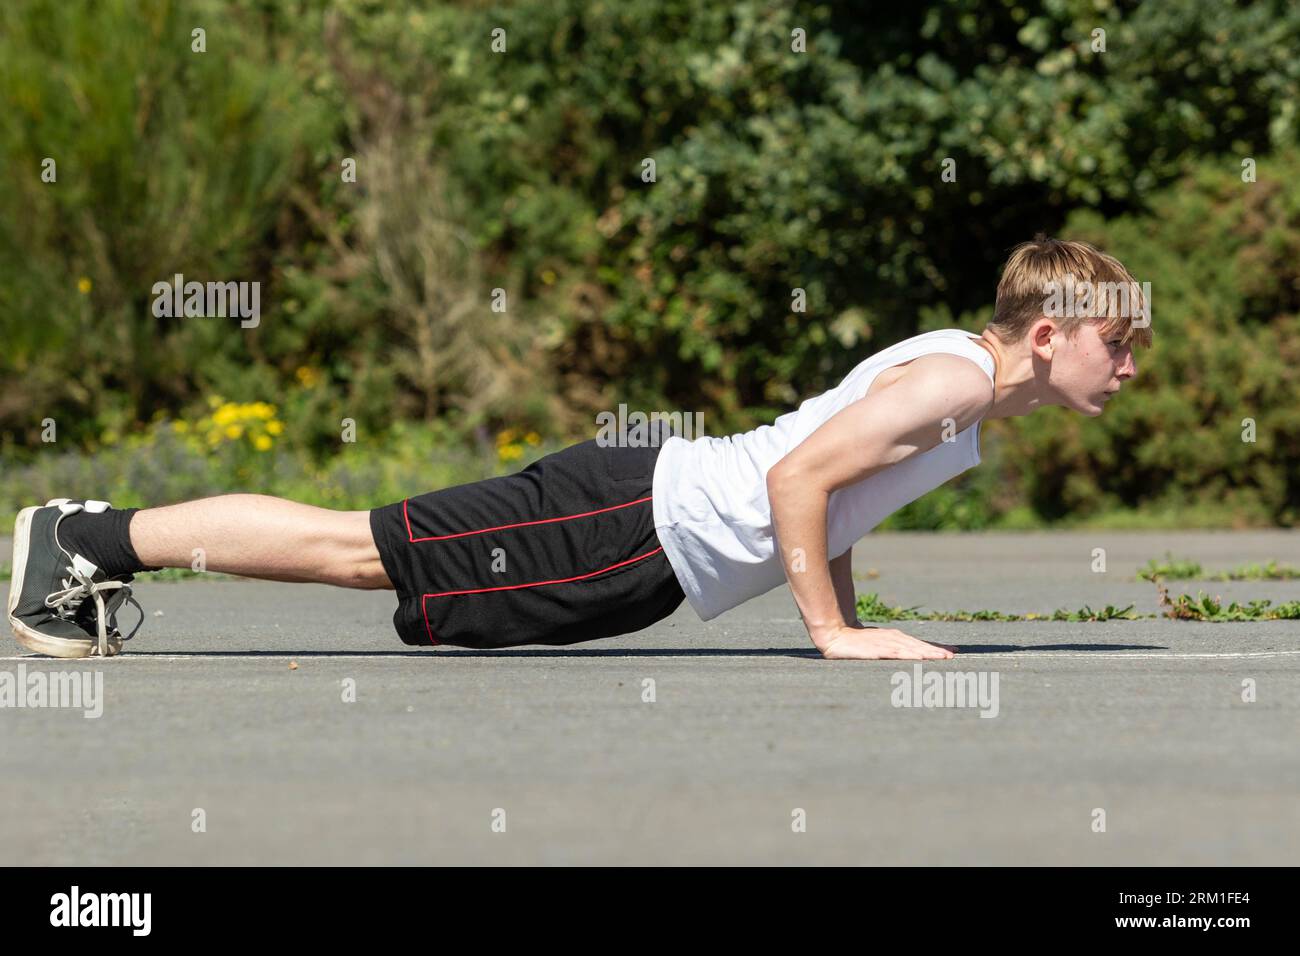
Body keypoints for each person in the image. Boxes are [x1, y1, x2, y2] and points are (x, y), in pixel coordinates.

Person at [7, 236, 1150, 661]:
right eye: (1118, 341)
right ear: (1048, 335)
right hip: (624, 520)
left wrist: (837, 618)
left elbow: (830, 491)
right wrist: (832, 634)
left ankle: (94, 538)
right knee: (360, 550)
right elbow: (800, 476)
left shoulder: (960, 390)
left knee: (373, 562)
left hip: (638, 549)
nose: (1128, 365)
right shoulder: (955, 377)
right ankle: (82, 537)